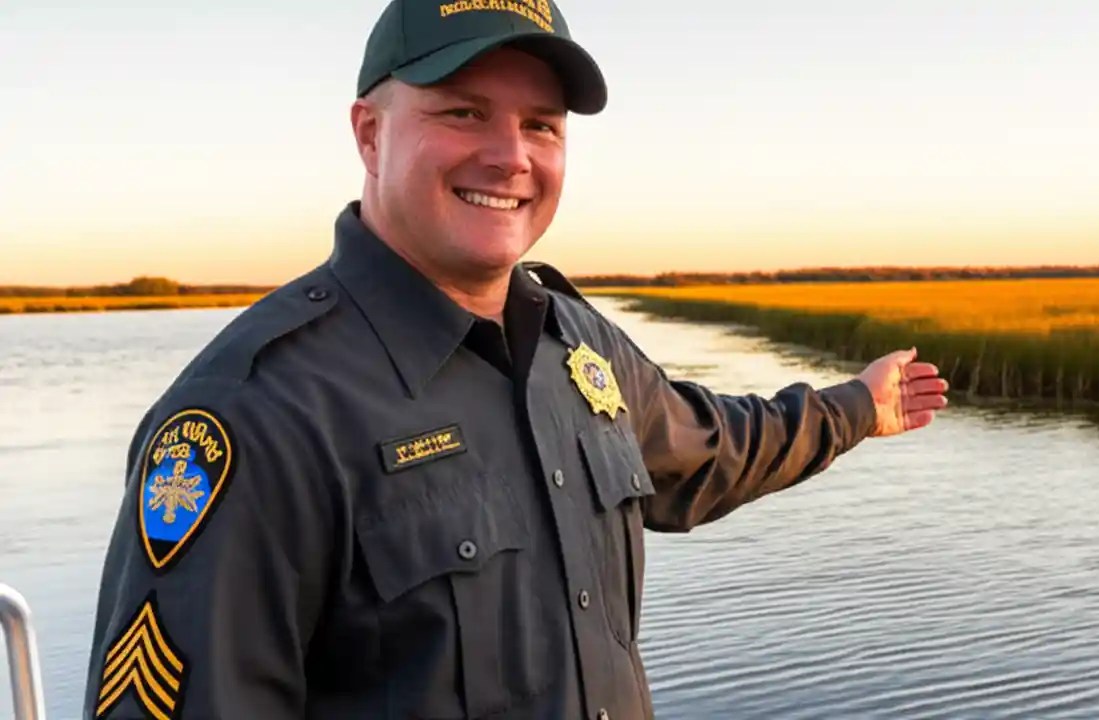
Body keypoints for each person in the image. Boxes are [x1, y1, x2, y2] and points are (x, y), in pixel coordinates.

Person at [81, 0, 949, 718]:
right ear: (370, 134)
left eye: (542, 124)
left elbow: (709, 448)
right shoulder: (256, 412)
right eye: (462, 111)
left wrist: (856, 410)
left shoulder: (578, 346)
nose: (512, 155)